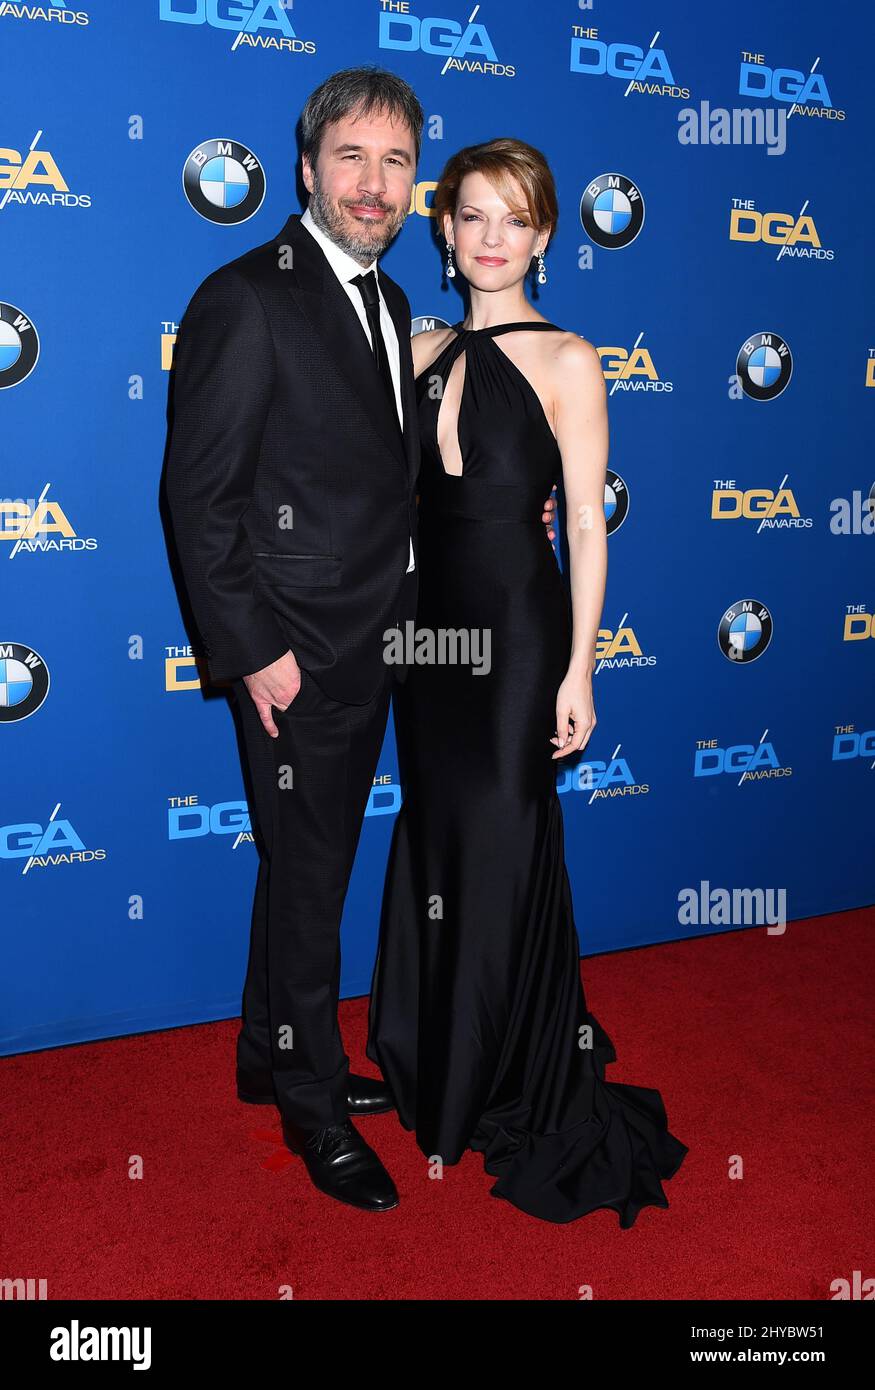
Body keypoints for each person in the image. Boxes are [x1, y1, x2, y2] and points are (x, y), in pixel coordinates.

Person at [164, 69, 557, 1214]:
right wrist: (250, 650)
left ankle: (262, 1050)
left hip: (391, 640)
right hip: (295, 652)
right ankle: (312, 1098)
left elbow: (398, 479)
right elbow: (200, 497)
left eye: (396, 163)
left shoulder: (389, 307)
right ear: (306, 168)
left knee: (303, 862)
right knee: (310, 879)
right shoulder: (247, 296)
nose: (374, 184)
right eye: (352, 157)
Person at [367, 138, 688, 1226]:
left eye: (513, 218)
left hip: (513, 628)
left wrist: (579, 669)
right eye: (470, 216)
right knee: (437, 831)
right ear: (442, 229)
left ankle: (507, 1076)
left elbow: (586, 528)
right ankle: (433, 1057)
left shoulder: (568, 360)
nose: (490, 237)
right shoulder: (415, 347)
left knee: (502, 836)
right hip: (426, 635)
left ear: (544, 234)